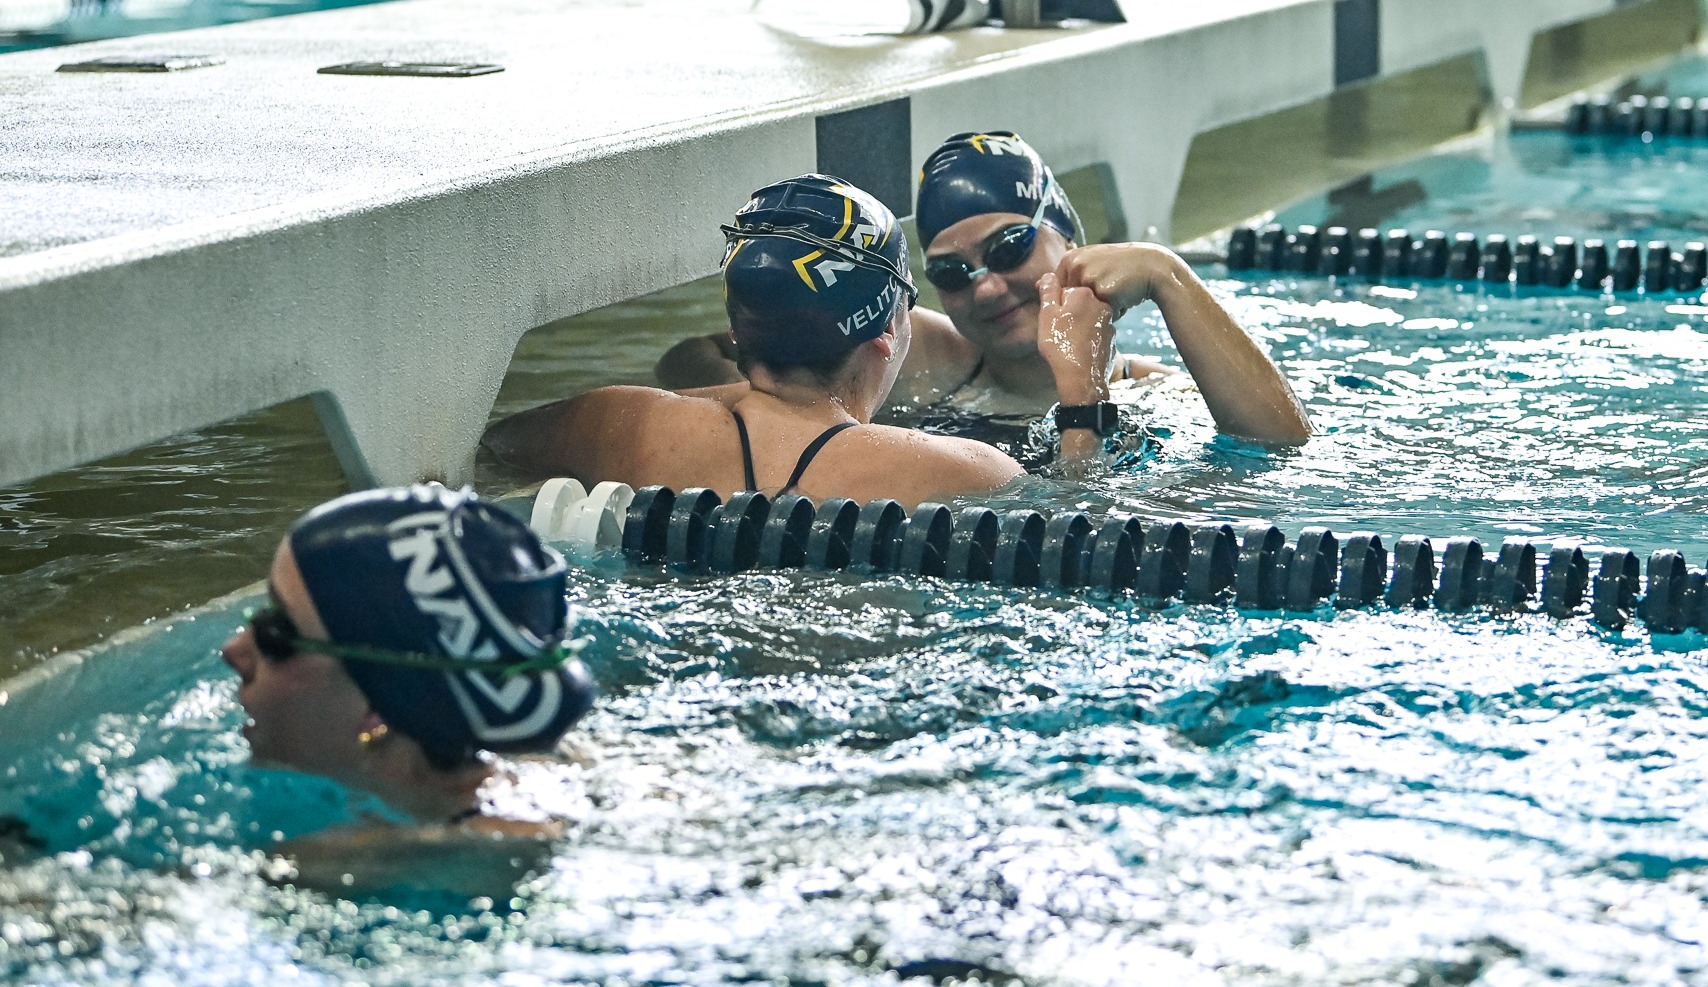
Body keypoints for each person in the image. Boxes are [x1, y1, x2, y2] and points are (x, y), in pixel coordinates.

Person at [657, 132, 1311, 449]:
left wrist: (1168, 274)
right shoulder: (922, 355)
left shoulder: (1155, 391)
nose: (988, 285)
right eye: (950, 271)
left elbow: (1282, 444)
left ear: (1068, 239)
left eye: (1008, 248)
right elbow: (692, 355)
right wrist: (800, 416)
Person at [486, 174, 1120, 499]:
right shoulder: (960, 469)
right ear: (885, 330)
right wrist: (1082, 398)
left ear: (739, 328)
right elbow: (1079, 526)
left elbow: (489, 449)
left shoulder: (620, 422)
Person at [221, 483, 596, 892]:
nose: (234, 651)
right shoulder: (559, 769)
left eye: (276, 633)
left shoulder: (454, 855)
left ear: (383, 703)